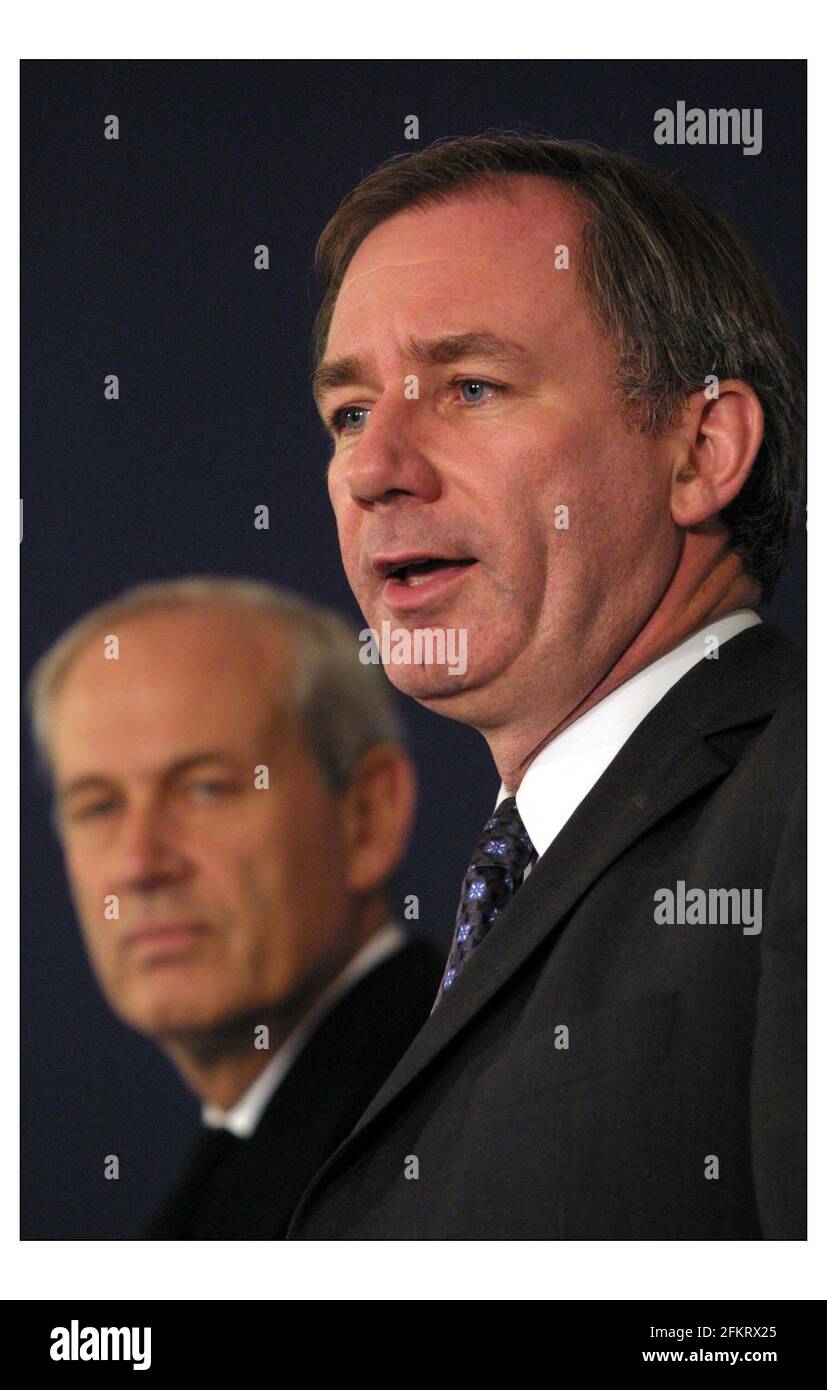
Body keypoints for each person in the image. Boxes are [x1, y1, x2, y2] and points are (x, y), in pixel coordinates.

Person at [287, 132, 806, 1239]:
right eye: (348, 413)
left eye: (471, 386)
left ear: (700, 449)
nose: (375, 469)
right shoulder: (523, 870)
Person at [28, 576, 443, 1238]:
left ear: (367, 816)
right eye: (98, 805)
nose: (140, 863)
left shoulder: (462, 1133)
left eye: (206, 789)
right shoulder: (246, 1160)